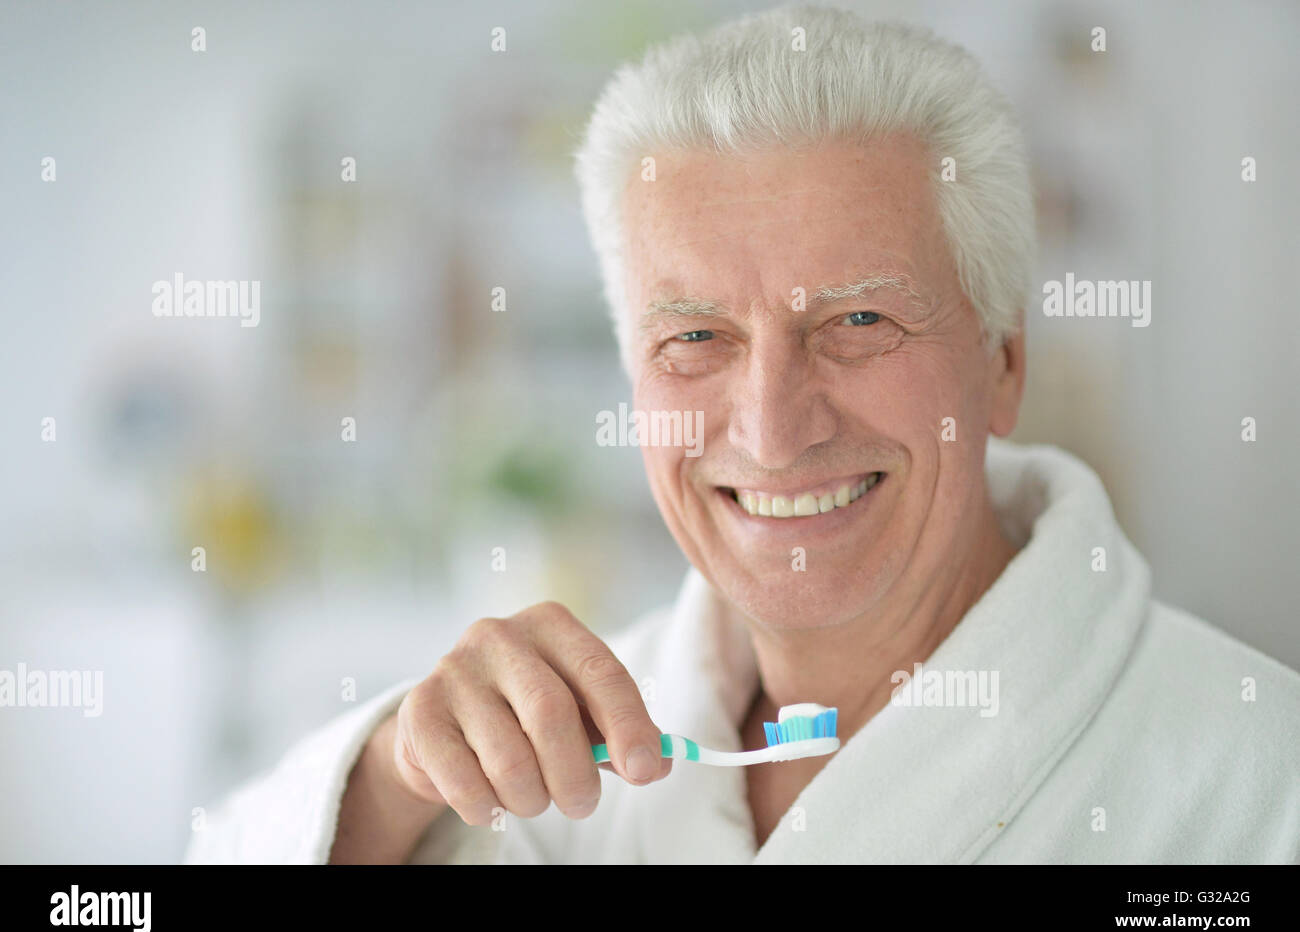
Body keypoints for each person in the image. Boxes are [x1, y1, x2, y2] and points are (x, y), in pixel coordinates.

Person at [184, 4, 1300, 865]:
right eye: (696, 337)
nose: (771, 430)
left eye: (858, 320)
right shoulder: (560, 769)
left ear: (1002, 360)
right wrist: (390, 776)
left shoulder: (1253, 778)